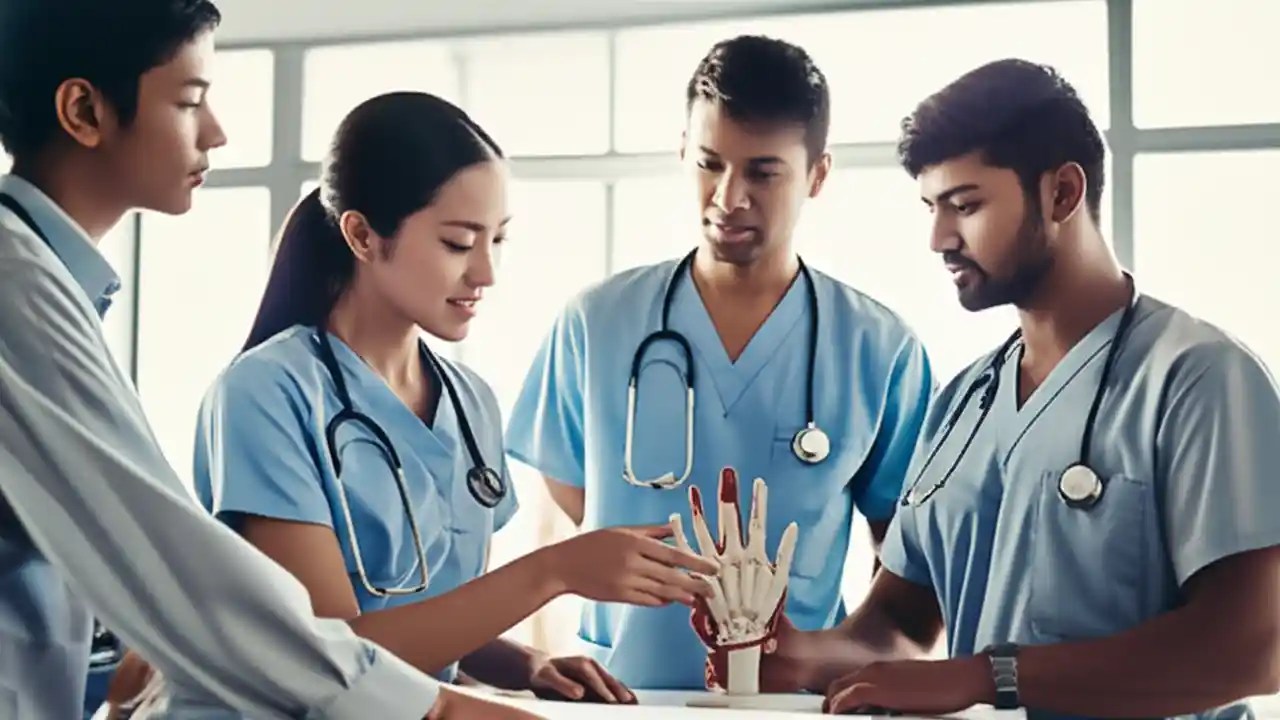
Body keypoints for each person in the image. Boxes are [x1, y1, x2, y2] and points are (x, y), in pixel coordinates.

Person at [100, 90, 720, 716]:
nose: (486, 273)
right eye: (458, 243)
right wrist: (553, 571)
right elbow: (327, 656)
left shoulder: (470, 403)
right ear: (363, 236)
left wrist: (523, 664)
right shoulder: (266, 394)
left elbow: (428, 616)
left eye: (497, 239)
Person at [0, 1, 538, 718]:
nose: (216, 131)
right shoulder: (16, 285)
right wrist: (429, 707)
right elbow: (163, 556)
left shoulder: (48, 282)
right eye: (189, 101)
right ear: (84, 111)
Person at [756, 59, 1280, 719]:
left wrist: (991, 676)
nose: (939, 238)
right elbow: (898, 625)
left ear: (1062, 193)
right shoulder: (961, 404)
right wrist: (797, 654)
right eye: (932, 208)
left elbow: (1254, 648)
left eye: (966, 205)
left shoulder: (1199, 379)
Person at [504, 34, 936, 691]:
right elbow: (573, 498)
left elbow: (906, 566)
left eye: (763, 173)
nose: (729, 197)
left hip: (791, 702)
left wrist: (834, 657)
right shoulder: (596, 323)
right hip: (624, 694)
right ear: (684, 152)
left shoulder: (879, 349)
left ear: (817, 175)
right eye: (710, 163)